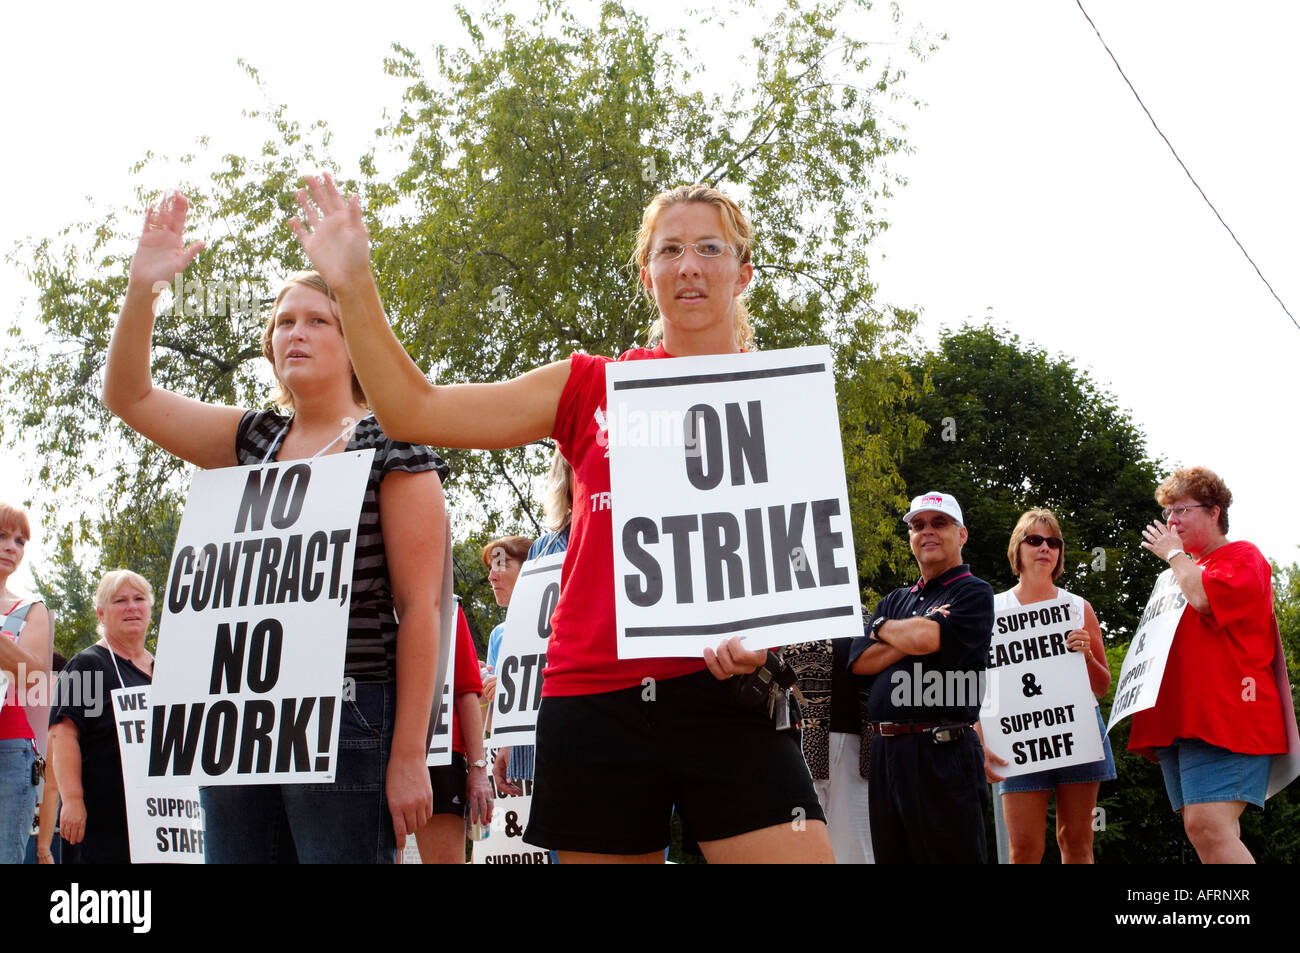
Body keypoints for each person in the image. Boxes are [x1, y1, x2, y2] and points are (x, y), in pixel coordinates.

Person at [289, 175, 832, 862]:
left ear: (743, 271)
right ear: (647, 276)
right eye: (669, 250)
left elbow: (800, 563)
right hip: (595, 700)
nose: (689, 265)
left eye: (709, 248)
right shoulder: (589, 385)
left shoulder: (782, 401)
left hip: (730, 694)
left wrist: (767, 637)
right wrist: (353, 284)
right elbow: (412, 409)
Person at [101, 192, 447, 862]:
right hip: (240, 718)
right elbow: (128, 395)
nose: (297, 333)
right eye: (284, 321)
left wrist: (409, 754)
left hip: (348, 716)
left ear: (355, 342)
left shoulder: (392, 443)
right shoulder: (251, 439)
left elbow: (420, 609)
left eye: (318, 320)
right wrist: (143, 290)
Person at [1132, 466, 1285, 864]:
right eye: (1168, 512)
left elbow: (1203, 599)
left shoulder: (1242, 556)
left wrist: (1174, 555)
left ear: (1214, 512)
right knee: (1208, 831)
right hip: (1183, 723)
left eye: (1182, 510)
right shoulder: (1176, 575)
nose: (1172, 521)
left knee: (1207, 826)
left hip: (1228, 717)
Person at [849, 491, 994, 863]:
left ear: (961, 534)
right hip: (885, 754)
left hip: (942, 752)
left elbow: (923, 639)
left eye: (939, 523)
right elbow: (860, 662)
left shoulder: (974, 591)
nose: (927, 531)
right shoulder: (893, 601)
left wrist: (881, 628)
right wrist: (912, 634)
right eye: (918, 525)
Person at [982, 508, 1115, 863]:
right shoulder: (992, 610)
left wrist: (1087, 656)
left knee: (1076, 842)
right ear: (1018, 549)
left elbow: (1102, 686)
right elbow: (976, 682)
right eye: (1035, 540)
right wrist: (980, 734)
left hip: (1077, 731)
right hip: (1018, 736)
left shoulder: (1078, 607)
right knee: (1024, 849)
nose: (1045, 548)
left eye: (1053, 542)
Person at [48, 570, 153, 864]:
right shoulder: (87, 665)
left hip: (156, 826)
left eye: (139, 599)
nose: (132, 607)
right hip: (101, 826)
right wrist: (72, 800)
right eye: (120, 601)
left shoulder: (164, 668)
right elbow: (63, 734)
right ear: (101, 614)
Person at [414, 603, 492, 863]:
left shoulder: (446, 602)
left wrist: (478, 769)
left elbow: (467, 689)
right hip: (373, 740)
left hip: (440, 751)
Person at [786, 637, 874, 863]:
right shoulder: (784, 619)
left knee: (857, 851)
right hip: (798, 745)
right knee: (799, 846)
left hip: (859, 751)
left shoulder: (870, 622)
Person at [0, 503, 52, 864]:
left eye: (20, 541)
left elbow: (33, 677)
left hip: (9, 749)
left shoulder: (30, 609)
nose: (11, 547)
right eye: (2, 536)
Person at [479, 535, 532, 796]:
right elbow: (493, 724)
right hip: (517, 765)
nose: (491, 576)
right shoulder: (499, 635)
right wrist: (480, 694)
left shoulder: (561, 623)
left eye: (501, 564)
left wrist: (514, 690)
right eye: (490, 568)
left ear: (530, 568)